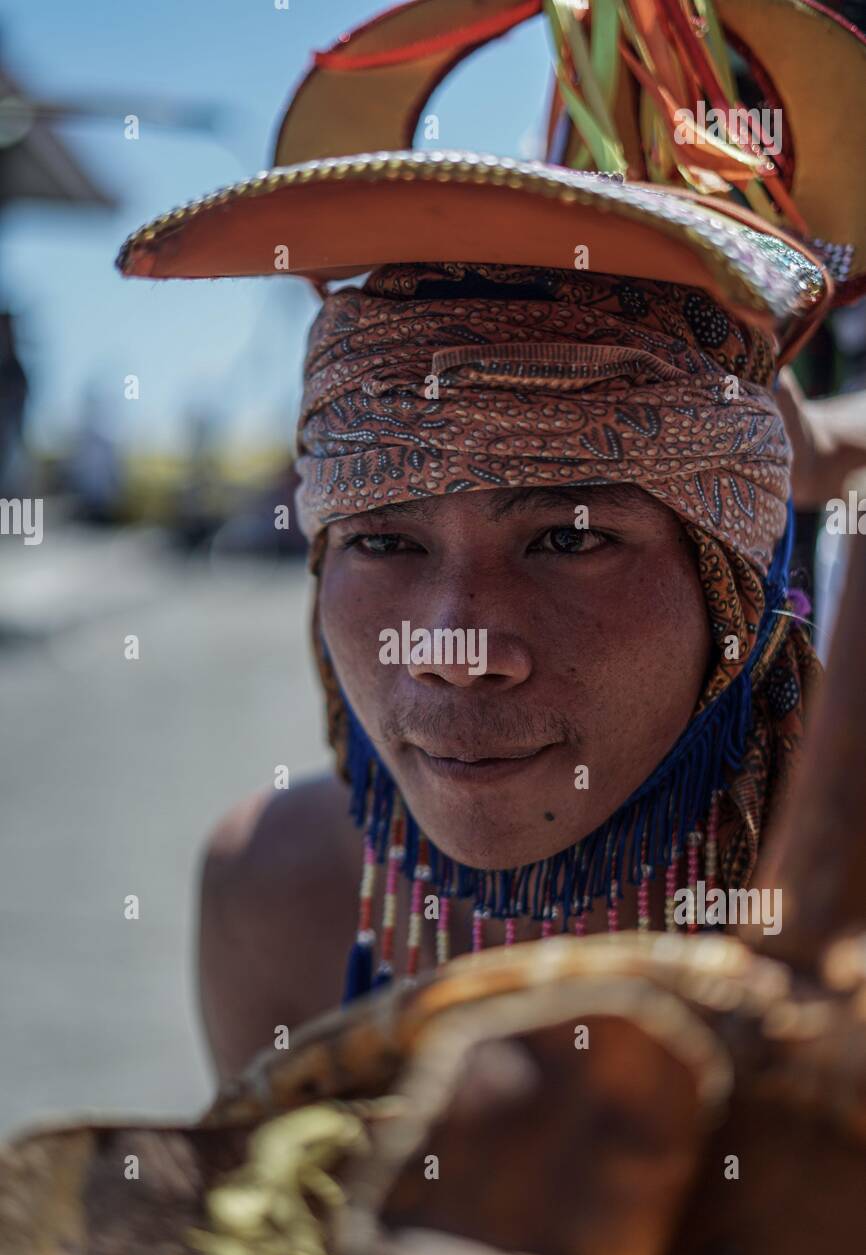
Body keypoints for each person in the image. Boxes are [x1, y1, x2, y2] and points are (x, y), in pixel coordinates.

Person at [115, 0, 866, 1083]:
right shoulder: (279, 890)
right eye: (382, 542)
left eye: (567, 539)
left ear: (730, 586)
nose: (454, 647)